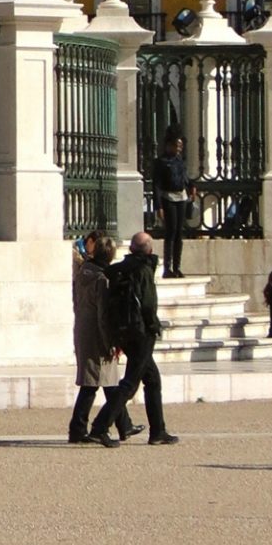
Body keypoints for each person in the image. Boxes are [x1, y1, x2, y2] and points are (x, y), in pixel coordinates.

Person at [91, 231, 179, 447]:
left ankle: (158, 430)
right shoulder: (143, 270)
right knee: (130, 384)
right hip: (140, 332)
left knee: (152, 379)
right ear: (149, 249)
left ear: (131, 249)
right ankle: (100, 427)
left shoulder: (118, 270)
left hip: (123, 331)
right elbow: (148, 304)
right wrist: (153, 326)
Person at [68, 234, 142, 445]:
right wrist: (110, 341)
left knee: (108, 382)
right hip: (96, 333)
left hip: (83, 327)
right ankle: (78, 428)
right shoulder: (102, 278)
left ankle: (124, 423)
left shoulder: (83, 272)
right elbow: (103, 314)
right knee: (91, 384)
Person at [152, 127, 196, 278]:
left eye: (180, 146)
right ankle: (167, 267)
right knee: (170, 232)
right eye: (177, 146)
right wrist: (158, 206)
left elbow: (184, 177)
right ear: (169, 145)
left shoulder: (179, 161)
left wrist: (191, 186)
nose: (179, 149)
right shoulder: (161, 162)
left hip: (181, 197)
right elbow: (156, 185)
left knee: (179, 233)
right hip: (168, 197)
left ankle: (177, 266)